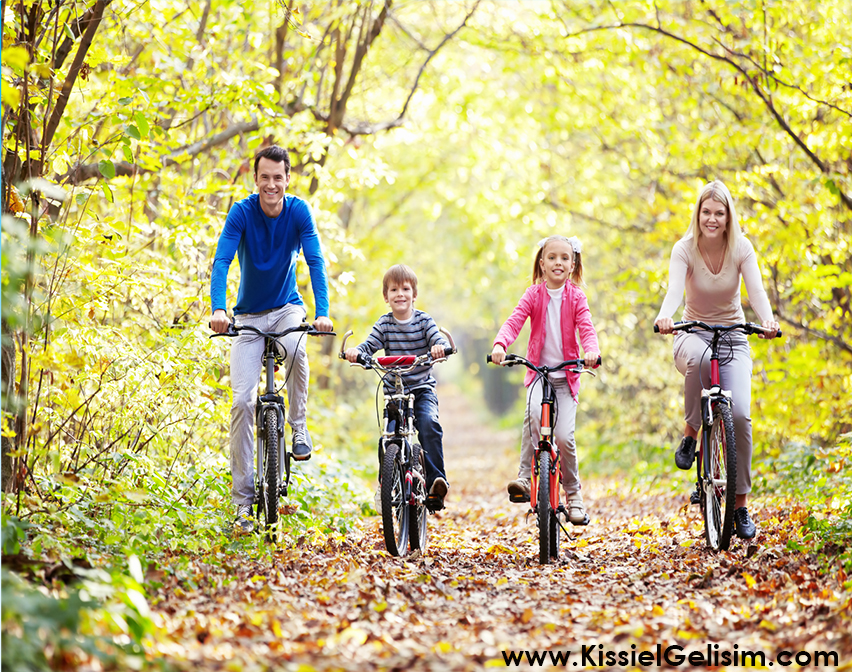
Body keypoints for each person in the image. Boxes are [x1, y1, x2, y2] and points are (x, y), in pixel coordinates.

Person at [210, 145, 334, 534]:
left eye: (278, 177)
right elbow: (222, 260)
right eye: (264, 177)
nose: (271, 184)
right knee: (243, 402)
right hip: (246, 316)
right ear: (255, 178)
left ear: (287, 178)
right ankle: (243, 506)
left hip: (286, 309)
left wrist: (322, 312)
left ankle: (297, 426)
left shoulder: (298, 211)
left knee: (298, 349)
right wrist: (218, 309)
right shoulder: (241, 212)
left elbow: (315, 261)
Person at [654, 179, 779, 540]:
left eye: (719, 213)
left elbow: (755, 290)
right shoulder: (684, 249)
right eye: (706, 212)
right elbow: (674, 290)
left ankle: (739, 506)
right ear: (698, 214)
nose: (711, 219)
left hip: (734, 337)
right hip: (692, 334)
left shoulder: (742, 248)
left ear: (728, 217)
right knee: (699, 357)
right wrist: (666, 317)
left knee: (739, 413)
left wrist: (768, 320)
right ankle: (691, 434)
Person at [490, 235, 601, 524]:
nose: (558, 263)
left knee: (564, 437)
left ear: (572, 263)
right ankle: (525, 479)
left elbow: (586, 327)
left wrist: (591, 350)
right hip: (539, 375)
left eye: (564, 258)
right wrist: (501, 344)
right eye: (552, 258)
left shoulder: (576, 297)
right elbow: (515, 320)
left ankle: (573, 494)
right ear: (542, 263)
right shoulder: (533, 295)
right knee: (533, 418)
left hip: (566, 377)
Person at [344, 264, 451, 511]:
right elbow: (368, 346)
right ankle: (386, 485)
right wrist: (356, 353)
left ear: (414, 294)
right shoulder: (385, 324)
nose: (400, 294)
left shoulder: (424, 321)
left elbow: (438, 339)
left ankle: (437, 481)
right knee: (388, 437)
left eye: (405, 289)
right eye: (394, 289)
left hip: (422, 388)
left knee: (428, 424)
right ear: (386, 297)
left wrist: (438, 347)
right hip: (395, 390)